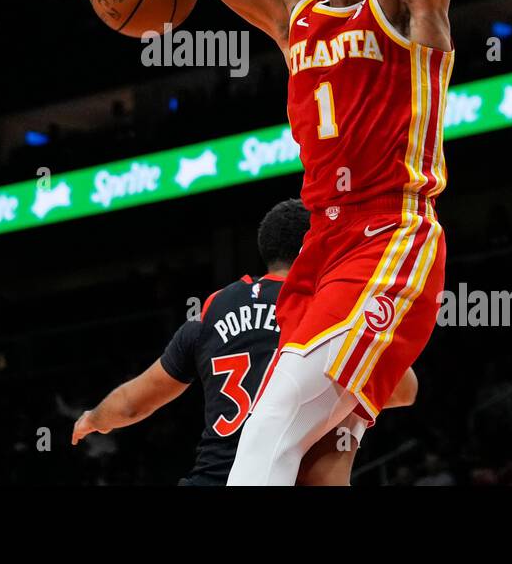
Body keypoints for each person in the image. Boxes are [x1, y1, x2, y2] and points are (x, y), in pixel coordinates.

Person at [159, 0, 453, 485]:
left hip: (390, 233)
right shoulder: (296, 20)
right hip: (323, 248)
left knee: (265, 443)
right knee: (316, 467)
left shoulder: (412, 1)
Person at [71, 198, 417, 484]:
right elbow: (404, 391)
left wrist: (94, 418)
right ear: (314, 250)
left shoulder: (212, 310)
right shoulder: (328, 313)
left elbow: (134, 403)